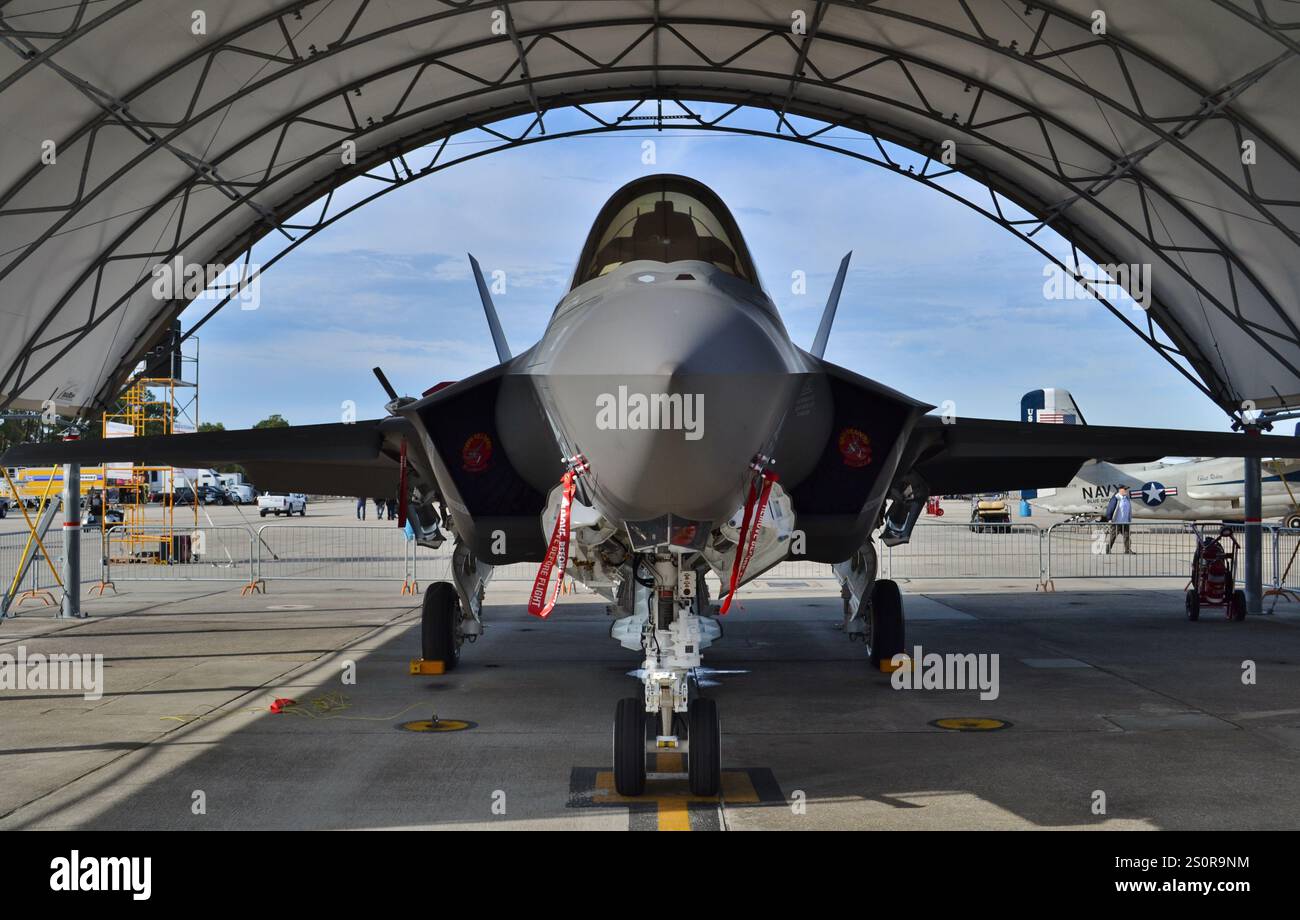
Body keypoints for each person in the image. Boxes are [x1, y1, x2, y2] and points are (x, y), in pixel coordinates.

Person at [1104, 485, 1135, 554]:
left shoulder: (1127, 498)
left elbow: (1129, 510)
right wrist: (1109, 519)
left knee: (1127, 536)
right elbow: (1110, 509)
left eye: (1126, 489)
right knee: (1113, 536)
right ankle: (1108, 548)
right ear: (1120, 490)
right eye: (1125, 489)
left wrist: (1129, 519)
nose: (1126, 491)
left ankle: (1127, 550)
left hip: (1125, 522)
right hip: (1116, 522)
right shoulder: (1116, 498)